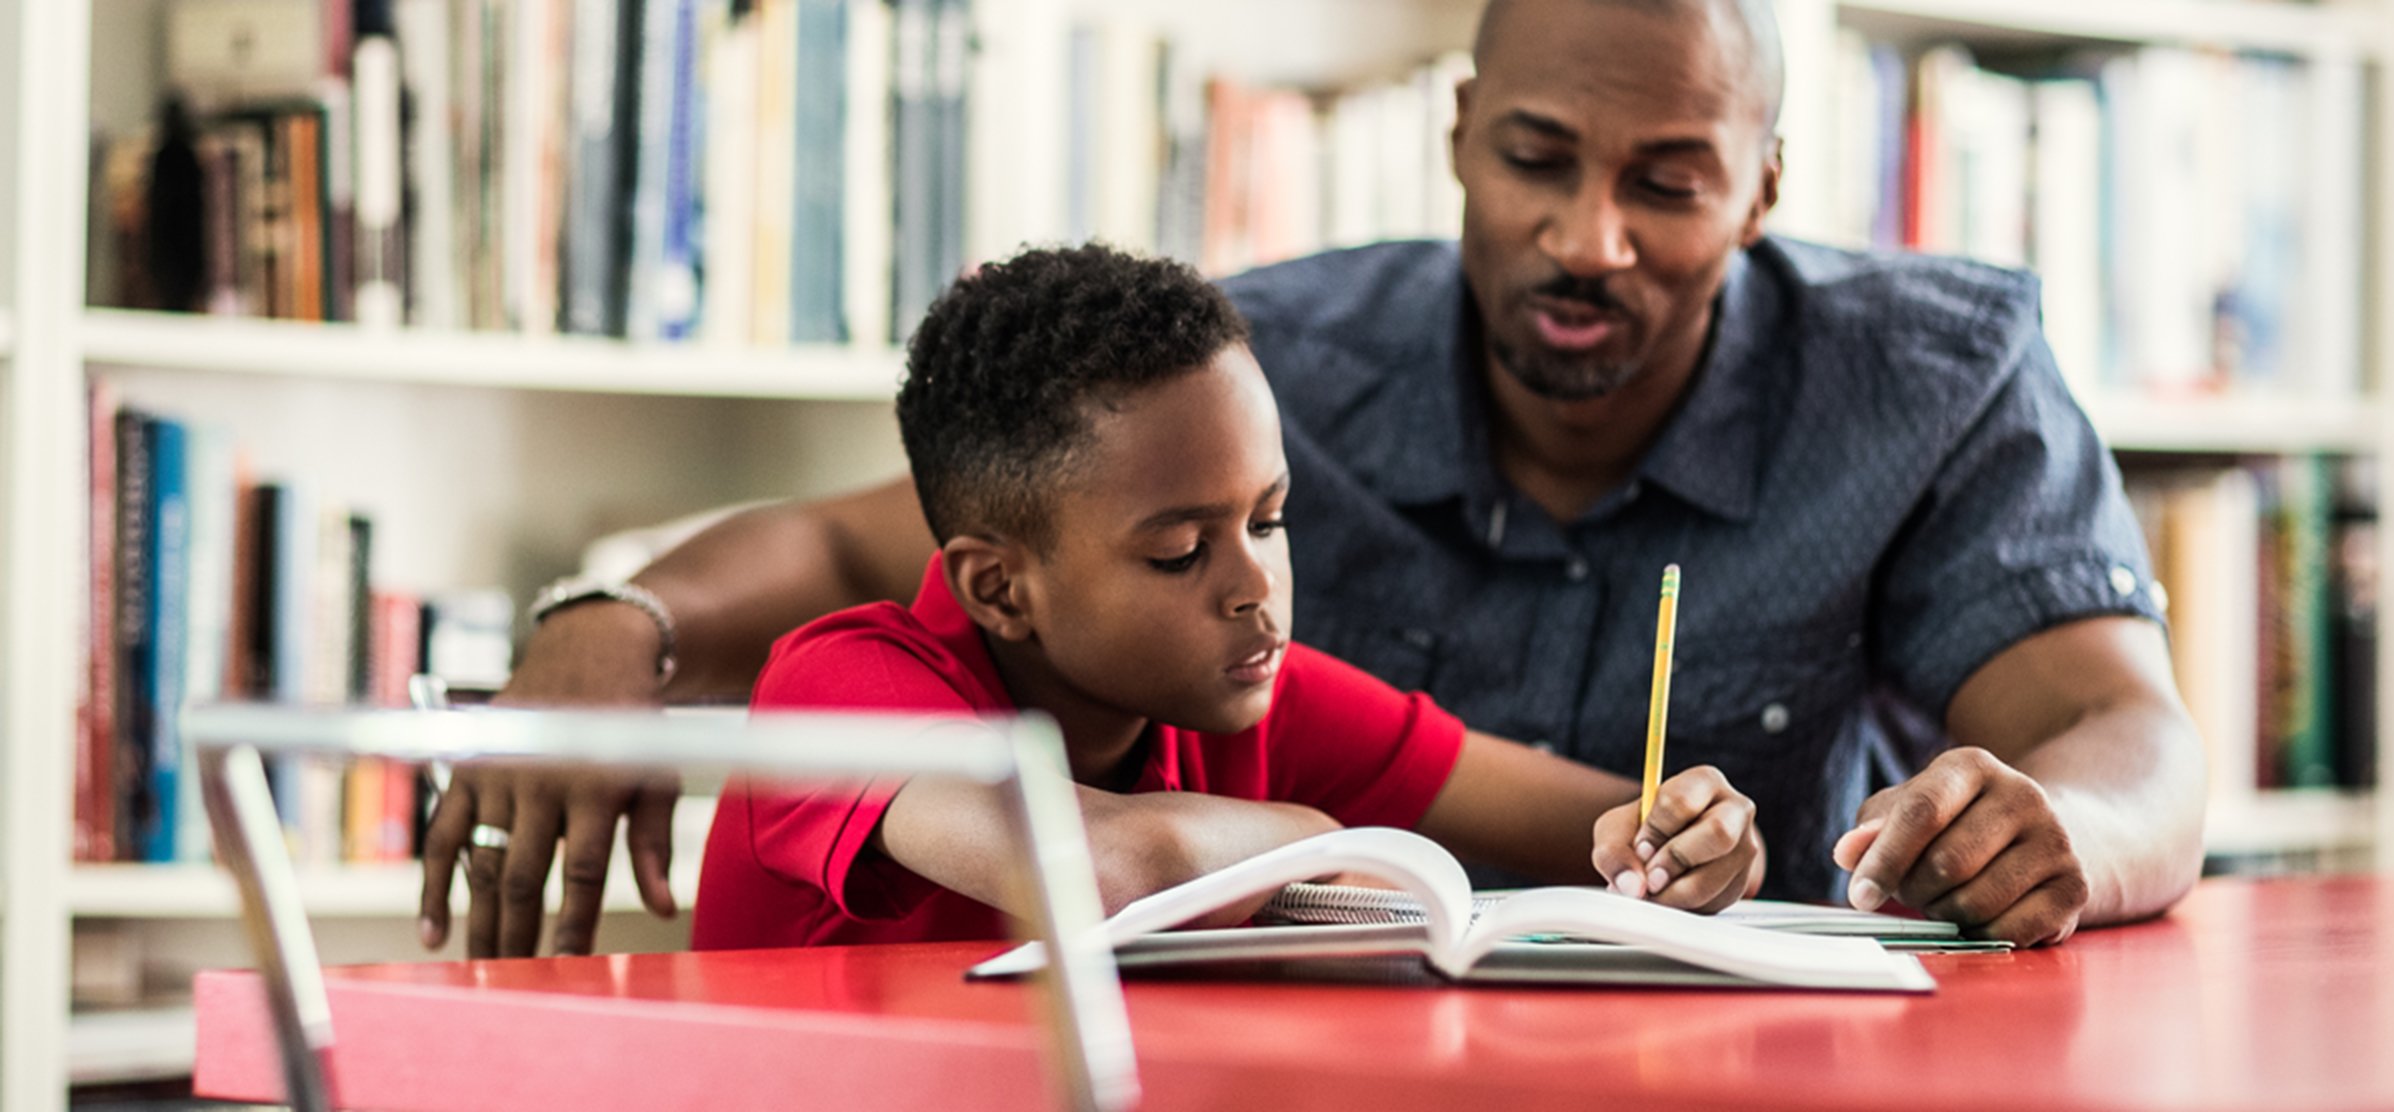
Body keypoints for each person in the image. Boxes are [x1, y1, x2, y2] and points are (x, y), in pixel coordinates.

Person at [424, 0, 2205, 959]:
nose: (1589, 236)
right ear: (1455, 139)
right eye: (1536, 158)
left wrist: (1687, 827)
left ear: (1762, 186)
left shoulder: (1936, 370)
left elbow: (1563, 803)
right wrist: (624, 612)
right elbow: (1063, 815)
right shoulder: (1211, 402)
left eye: (1667, 181)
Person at [685, 245, 1760, 949]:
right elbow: (1112, 863)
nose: (1256, 586)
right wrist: (1322, 836)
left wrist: (1690, 837)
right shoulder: (838, 690)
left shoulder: (1242, 677)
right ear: (999, 586)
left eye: (1270, 519)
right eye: (1181, 551)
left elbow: (1588, 816)